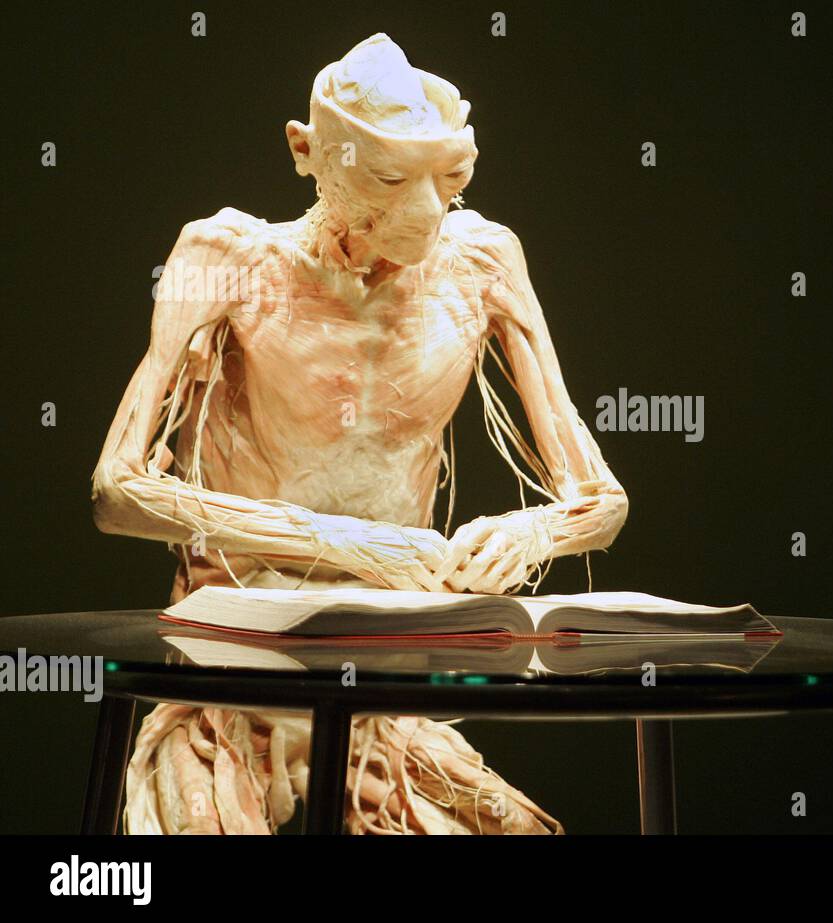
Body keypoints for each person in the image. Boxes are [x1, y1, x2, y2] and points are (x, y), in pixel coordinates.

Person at [90, 33, 627, 833]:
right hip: (239, 668)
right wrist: (349, 543)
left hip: (386, 672)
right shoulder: (230, 258)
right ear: (307, 152)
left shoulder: (482, 261)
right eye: (388, 178)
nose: (426, 212)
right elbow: (116, 489)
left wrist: (532, 531)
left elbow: (602, 498)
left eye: (450, 179)